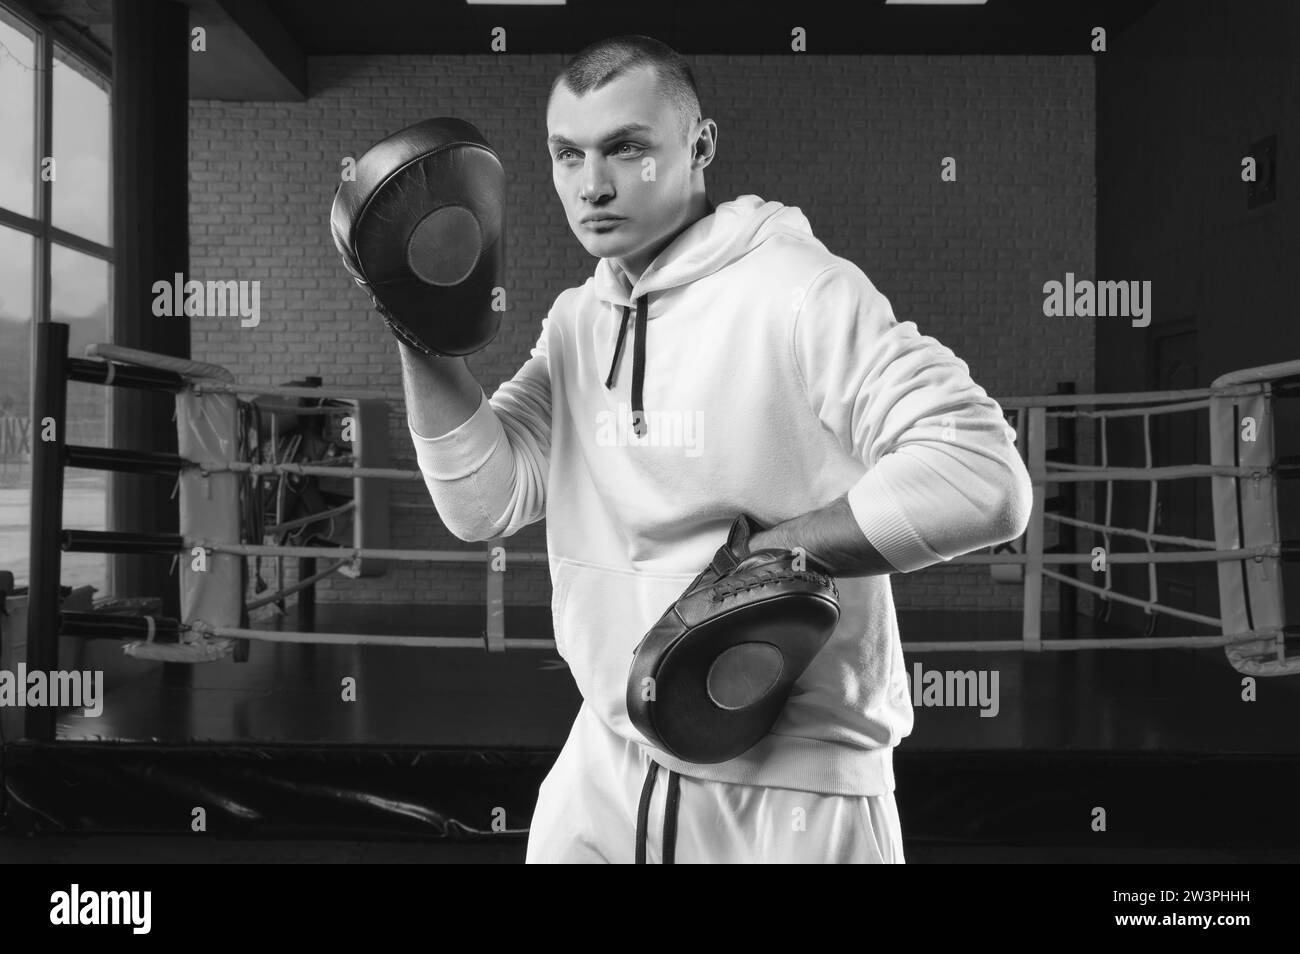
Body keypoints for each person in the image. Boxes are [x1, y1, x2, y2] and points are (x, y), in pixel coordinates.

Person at [400, 35, 1033, 863]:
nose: (592, 185)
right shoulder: (577, 322)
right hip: (606, 763)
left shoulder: (800, 291)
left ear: (699, 147)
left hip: (794, 790)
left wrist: (770, 557)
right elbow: (483, 501)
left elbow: (985, 479)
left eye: (627, 147)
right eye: (567, 155)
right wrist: (417, 327)